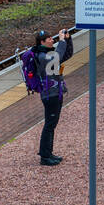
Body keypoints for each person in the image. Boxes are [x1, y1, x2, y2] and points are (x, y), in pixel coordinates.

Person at [32, 27, 73, 166]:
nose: (52, 40)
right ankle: (44, 157)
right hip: (50, 95)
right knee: (49, 125)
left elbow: (66, 55)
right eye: (49, 39)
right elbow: (58, 57)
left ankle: (48, 153)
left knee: (51, 124)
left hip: (55, 92)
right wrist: (61, 41)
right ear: (42, 42)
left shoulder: (47, 53)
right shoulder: (42, 56)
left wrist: (68, 39)